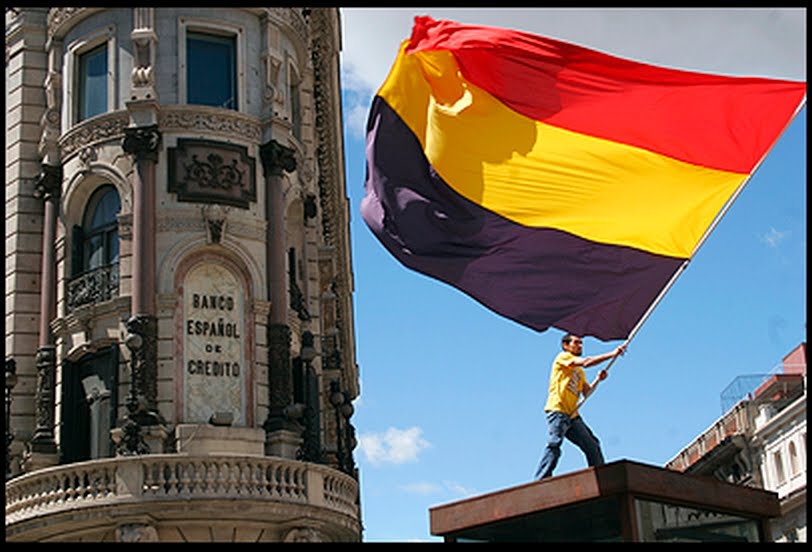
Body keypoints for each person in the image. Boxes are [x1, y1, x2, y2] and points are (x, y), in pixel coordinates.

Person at [534, 333, 626, 480]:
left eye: (581, 343)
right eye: (576, 343)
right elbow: (587, 362)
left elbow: (587, 392)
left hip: (572, 415)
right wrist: (612, 353)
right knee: (554, 444)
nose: (580, 346)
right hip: (558, 410)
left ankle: (600, 476)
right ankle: (541, 479)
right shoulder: (563, 357)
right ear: (566, 345)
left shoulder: (579, 372)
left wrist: (598, 379)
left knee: (592, 445)